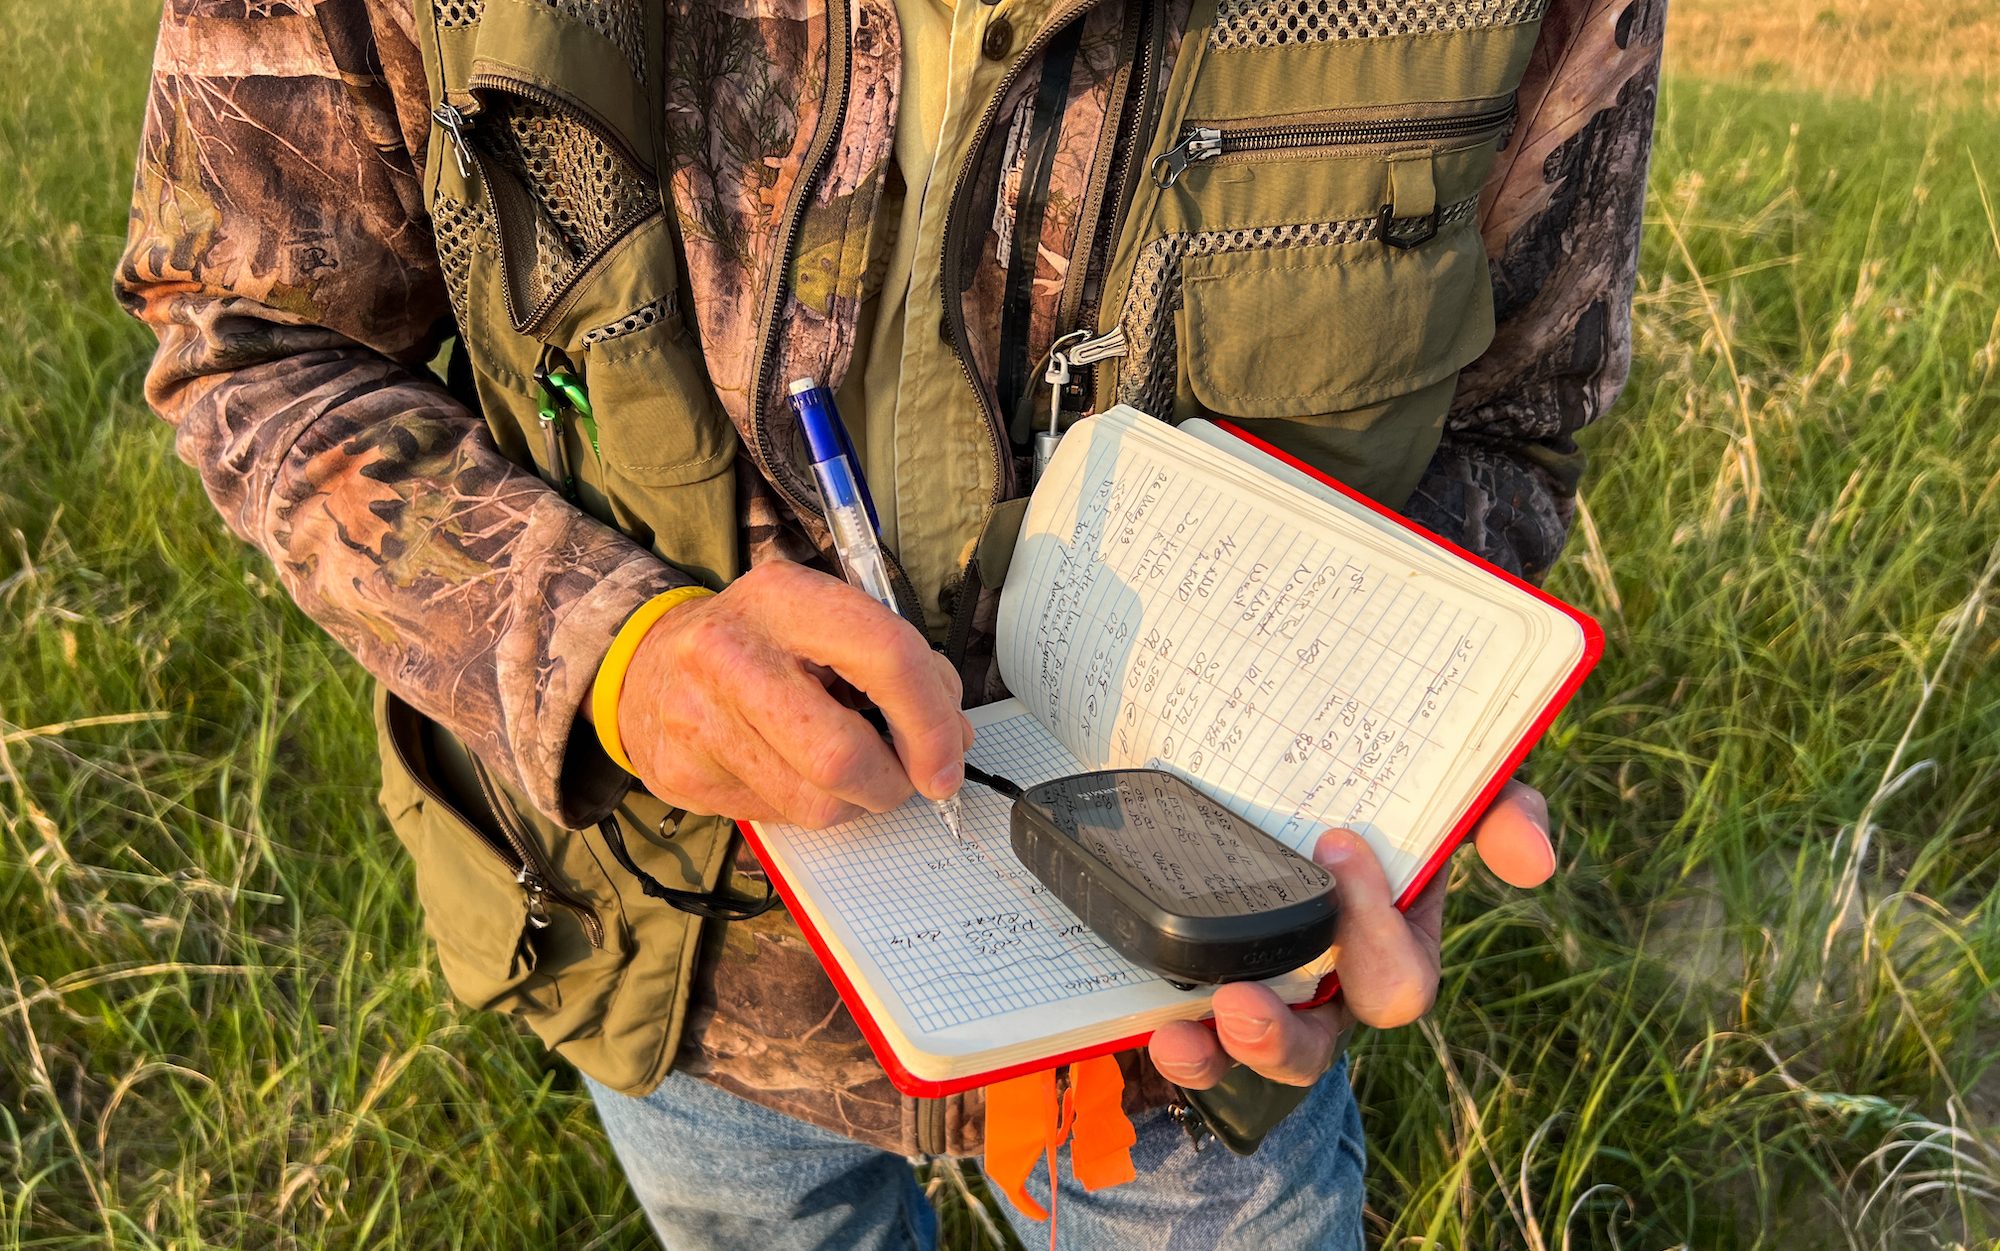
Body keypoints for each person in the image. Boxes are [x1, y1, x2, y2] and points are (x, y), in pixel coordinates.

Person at [117, 0, 1664, 1244]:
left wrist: (1389, 766)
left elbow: (1510, 417)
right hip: (678, 972)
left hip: (1197, 1024)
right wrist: (610, 651)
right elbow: (245, 341)